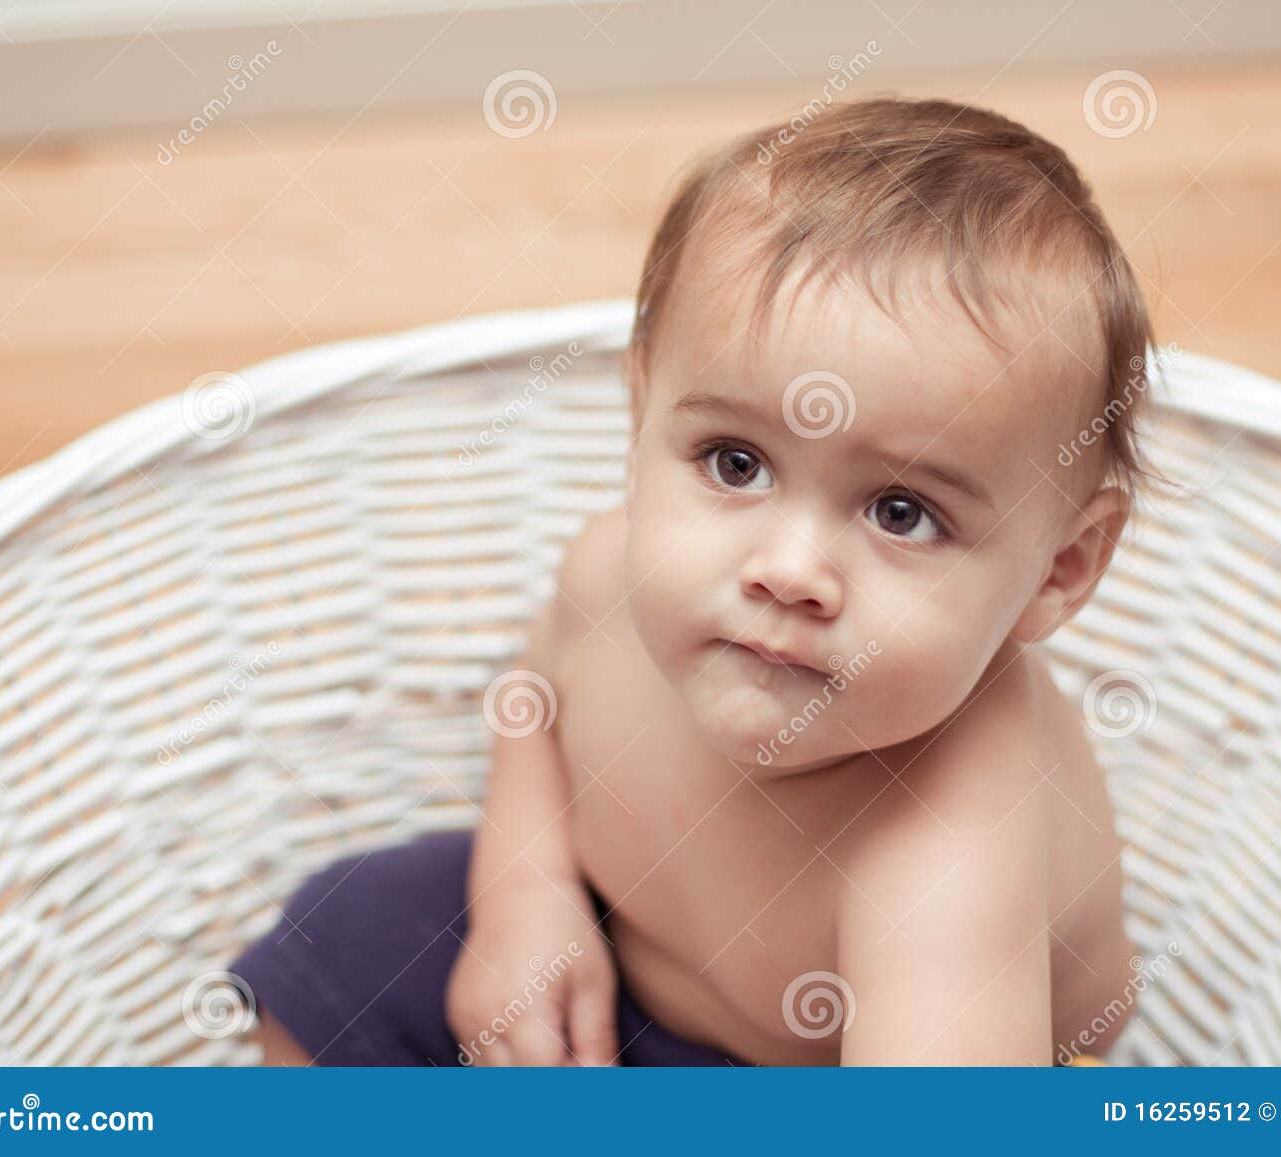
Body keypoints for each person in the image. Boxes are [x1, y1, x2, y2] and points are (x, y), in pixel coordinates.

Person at [230, 94, 1158, 1066]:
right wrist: (528, 896)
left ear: (1061, 568)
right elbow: (531, 706)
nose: (790, 570)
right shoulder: (605, 578)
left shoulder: (952, 843)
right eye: (734, 462)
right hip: (607, 964)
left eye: (901, 512)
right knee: (350, 928)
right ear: (640, 418)